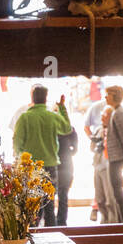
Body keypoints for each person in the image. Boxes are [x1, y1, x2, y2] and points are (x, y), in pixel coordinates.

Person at [12, 85, 71, 227]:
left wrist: (20, 160)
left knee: (32, 205)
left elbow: (17, 142)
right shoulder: (52, 116)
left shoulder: (25, 117)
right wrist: (62, 108)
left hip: (31, 167)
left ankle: (33, 235)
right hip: (51, 165)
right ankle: (51, 235)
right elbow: (67, 128)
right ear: (46, 98)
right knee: (49, 204)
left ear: (32, 97)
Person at [103, 85, 123, 223]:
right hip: (117, 156)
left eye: (108, 94)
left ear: (114, 95)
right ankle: (122, 221)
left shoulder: (119, 113)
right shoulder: (116, 111)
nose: (105, 97)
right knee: (117, 191)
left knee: (118, 192)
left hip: (118, 157)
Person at [84, 97, 108, 221]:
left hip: (103, 163)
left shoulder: (96, 108)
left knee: (103, 192)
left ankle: (104, 217)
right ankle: (100, 213)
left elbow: (86, 127)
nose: (102, 118)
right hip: (102, 163)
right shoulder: (96, 108)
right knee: (103, 192)